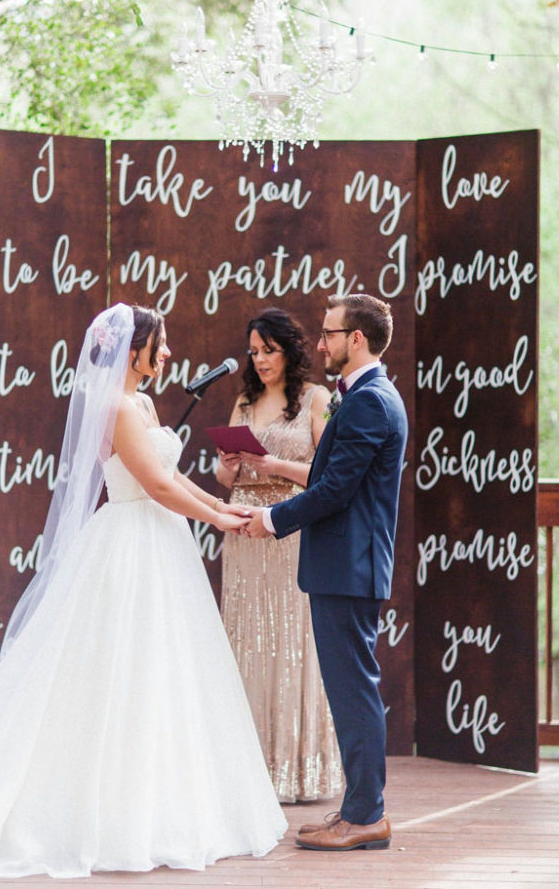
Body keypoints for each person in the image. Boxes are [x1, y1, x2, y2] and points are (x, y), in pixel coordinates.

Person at [0, 303, 286, 886]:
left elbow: (172, 476)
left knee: (167, 673)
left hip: (163, 544)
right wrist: (214, 521)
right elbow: (154, 484)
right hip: (131, 544)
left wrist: (219, 506)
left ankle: (165, 806)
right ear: (130, 350)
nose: (166, 354)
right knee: (120, 672)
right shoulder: (113, 406)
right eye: (157, 344)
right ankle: (110, 815)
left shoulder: (142, 402)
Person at [243, 293, 408, 851]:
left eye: (329, 333)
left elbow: (335, 488)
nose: (320, 343)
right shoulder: (362, 397)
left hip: (349, 569)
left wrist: (270, 519)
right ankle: (356, 810)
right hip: (343, 567)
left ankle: (366, 816)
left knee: (354, 691)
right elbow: (333, 479)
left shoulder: (368, 401)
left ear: (355, 339)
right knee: (347, 691)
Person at [216, 307, 342, 803]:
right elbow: (224, 480)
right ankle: (248, 771)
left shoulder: (317, 399)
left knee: (293, 646)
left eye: (269, 349)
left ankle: (298, 771)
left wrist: (271, 463)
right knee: (247, 644)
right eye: (254, 351)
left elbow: (326, 477)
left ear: (290, 349)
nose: (261, 359)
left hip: (289, 529)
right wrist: (229, 464)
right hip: (243, 532)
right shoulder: (244, 399)